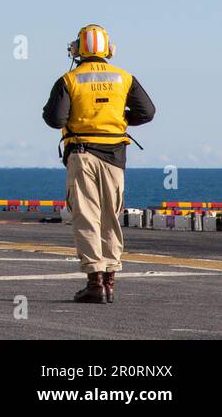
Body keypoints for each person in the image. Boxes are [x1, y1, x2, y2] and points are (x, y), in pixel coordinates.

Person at [43, 24, 155, 303]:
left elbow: (54, 119)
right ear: (108, 49)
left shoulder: (69, 80)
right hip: (115, 157)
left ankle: (95, 283)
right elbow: (148, 112)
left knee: (86, 217)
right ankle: (110, 280)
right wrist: (117, 118)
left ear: (78, 49)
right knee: (110, 217)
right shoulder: (124, 78)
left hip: (82, 154)